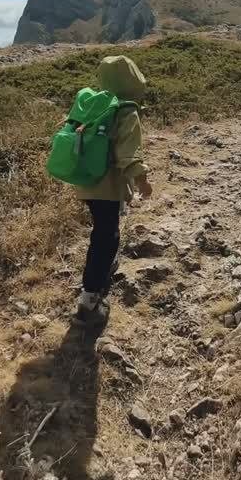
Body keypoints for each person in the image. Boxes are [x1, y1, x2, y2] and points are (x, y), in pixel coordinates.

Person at [74, 55, 152, 326]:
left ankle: (100, 274)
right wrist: (143, 181)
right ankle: (90, 297)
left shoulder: (94, 103)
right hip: (107, 185)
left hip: (85, 181)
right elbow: (127, 155)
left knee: (102, 228)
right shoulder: (127, 111)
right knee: (106, 236)